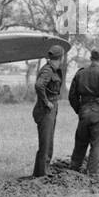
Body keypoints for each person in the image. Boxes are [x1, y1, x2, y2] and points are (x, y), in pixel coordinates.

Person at [68, 48, 99, 176]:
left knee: (80, 141)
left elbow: (72, 96)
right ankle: (91, 172)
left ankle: (73, 169)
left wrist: (79, 109)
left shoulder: (80, 73)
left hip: (83, 110)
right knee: (96, 143)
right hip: (97, 109)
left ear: (90, 58)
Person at [31, 44, 65, 177]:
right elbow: (39, 85)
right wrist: (46, 102)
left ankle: (41, 171)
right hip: (45, 110)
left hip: (50, 108)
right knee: (45, 142)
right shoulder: (48, 70)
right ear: (60, 57)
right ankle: (42, 174)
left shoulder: (54, 70)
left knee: (48, 141)